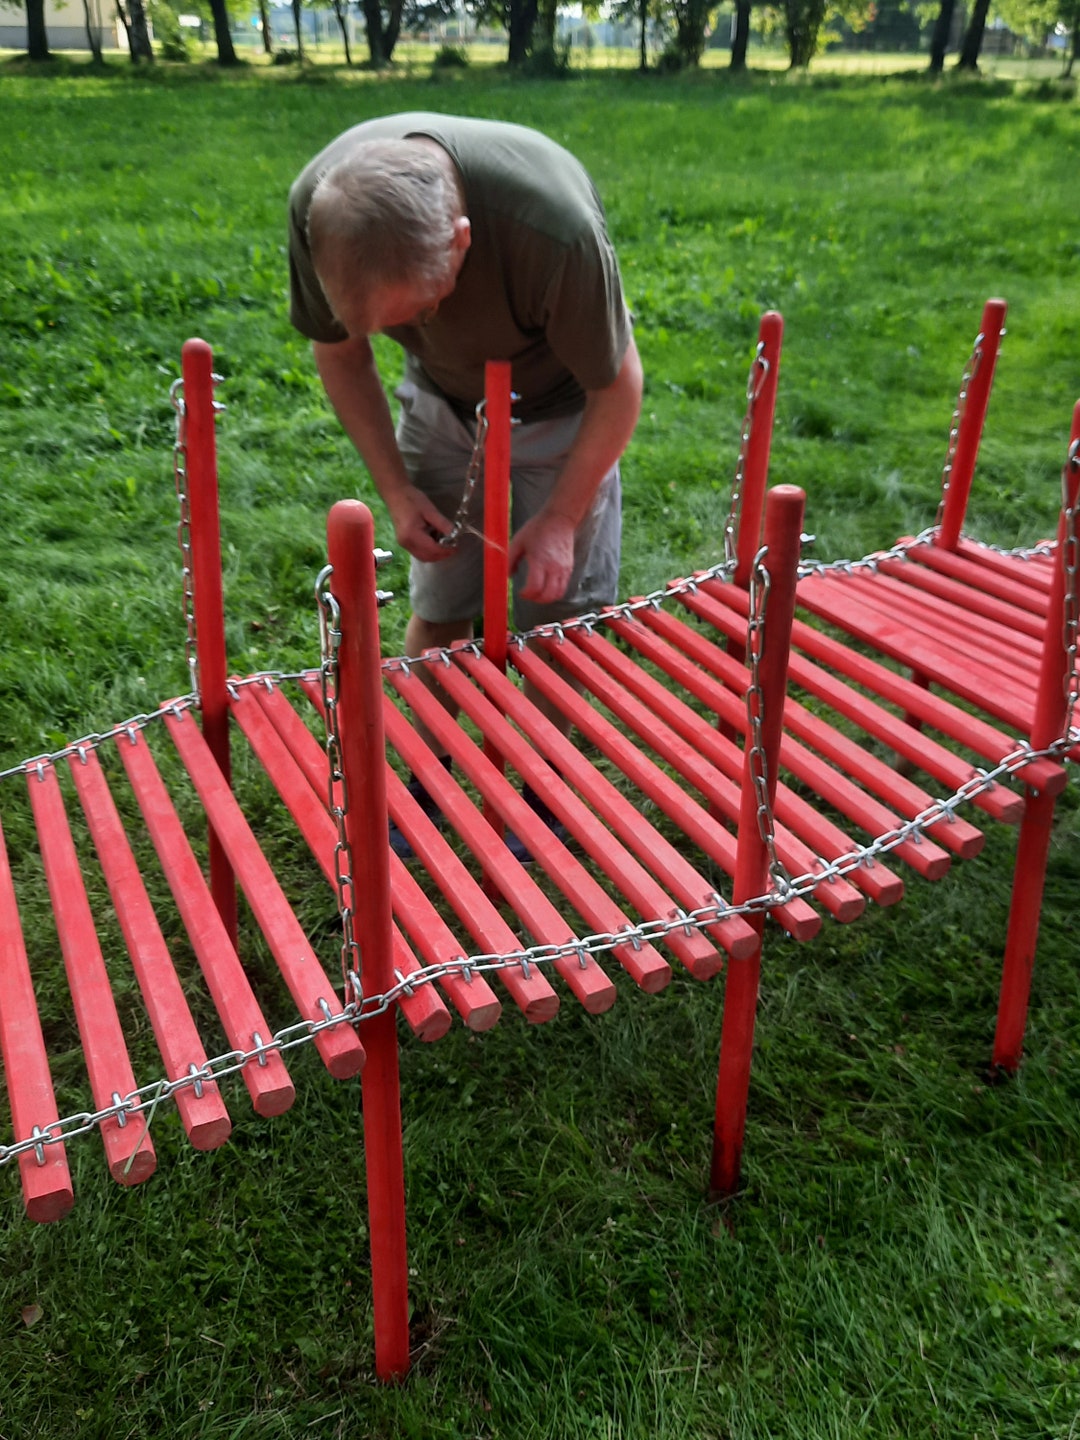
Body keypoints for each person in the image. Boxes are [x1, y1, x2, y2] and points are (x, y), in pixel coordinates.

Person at [288, 113, 642, 857]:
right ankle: (432, 772)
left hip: (567, 408)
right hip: (442, 404)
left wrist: (561, 517)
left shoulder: (555, 229)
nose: (415, 326)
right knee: (441, 600)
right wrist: (396, 490)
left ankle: (544, 786)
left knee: (557, 612)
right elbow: (341, 355)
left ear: (461, 240)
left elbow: (618, 389)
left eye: (420, 310)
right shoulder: (325, 211)